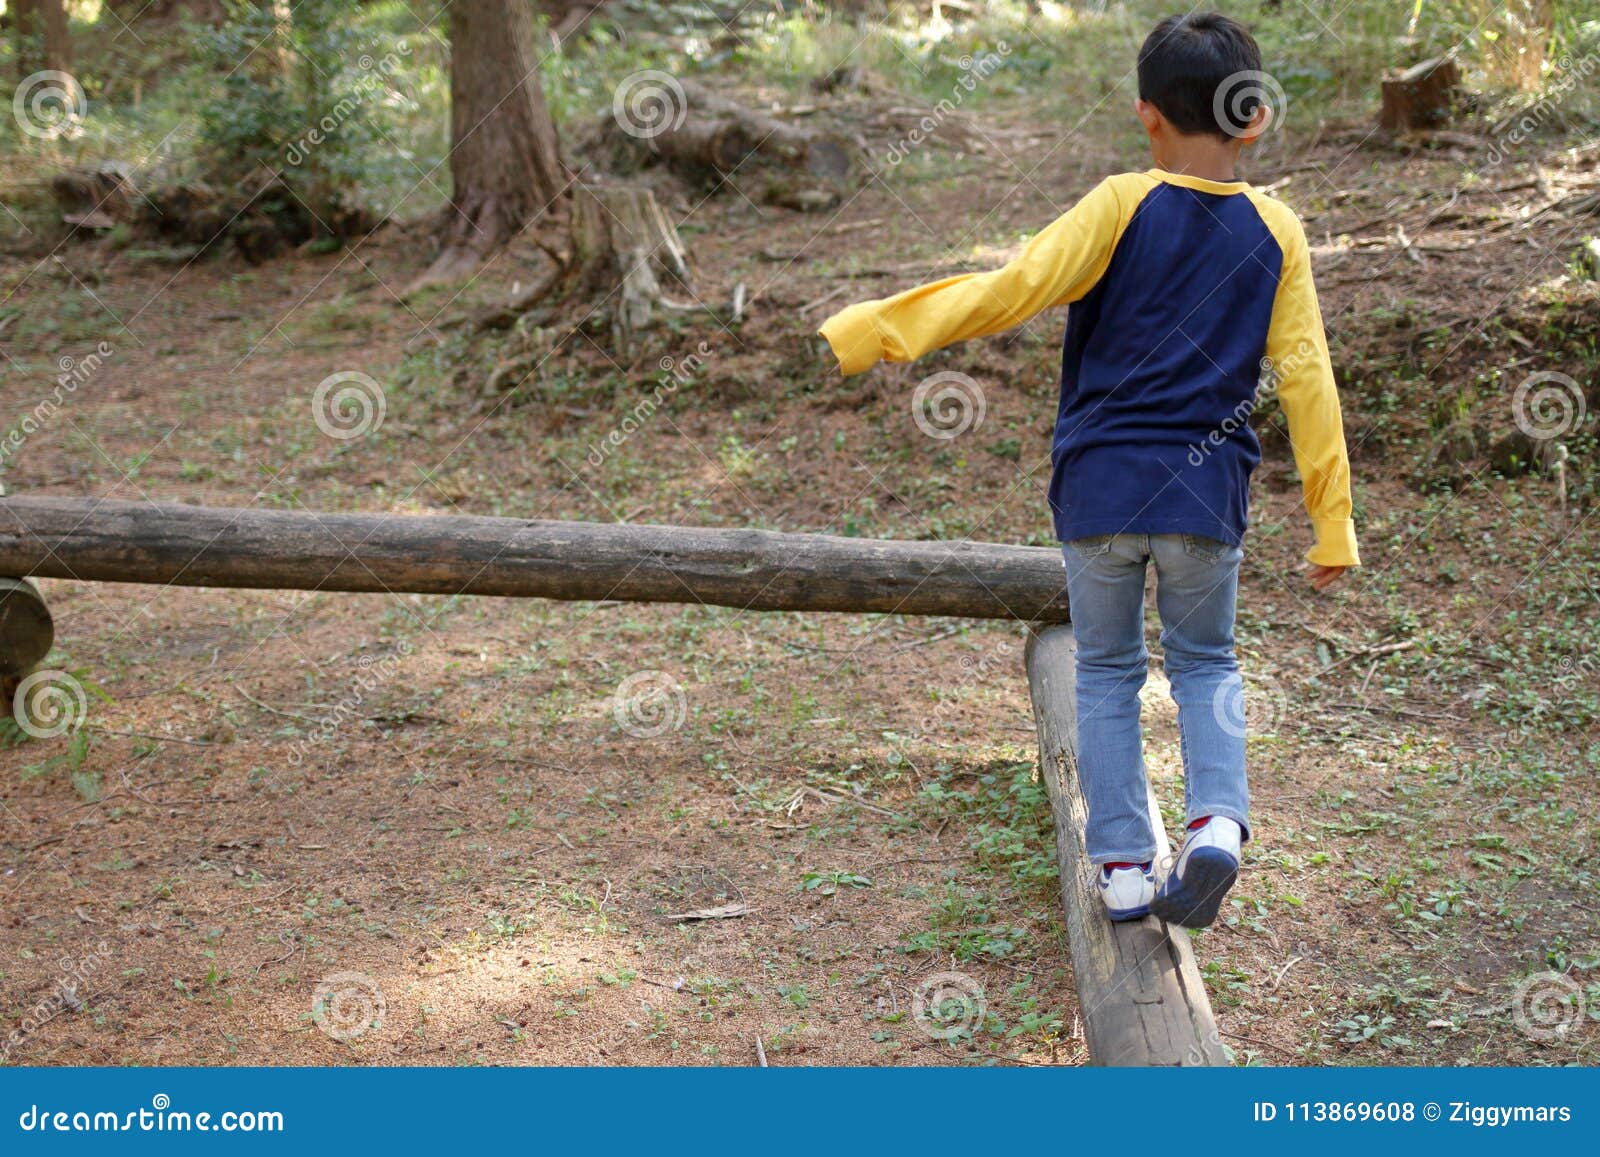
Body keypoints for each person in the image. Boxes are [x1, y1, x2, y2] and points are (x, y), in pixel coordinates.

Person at [817, 11, 1358, 928]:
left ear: (1146, 116)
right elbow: (1309, 379)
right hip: (1204, 497)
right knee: (1205, 662)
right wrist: (1331, 522)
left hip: (1101, 489)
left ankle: (1121, 867)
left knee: (1106, 671)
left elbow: (1008, 289)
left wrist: (875, 329)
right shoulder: (1280, 231)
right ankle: (1219, 820)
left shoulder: (1119, 203)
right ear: (1254, 115)